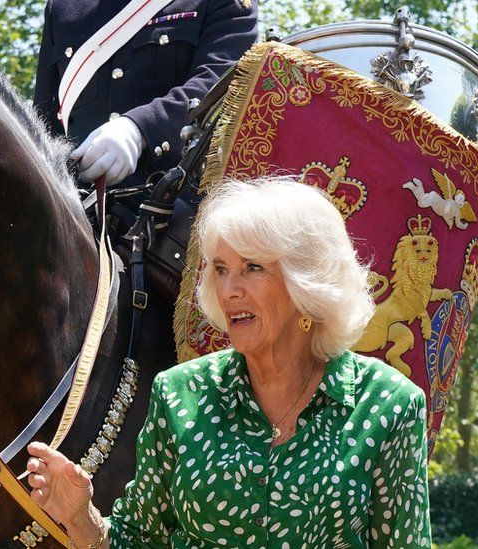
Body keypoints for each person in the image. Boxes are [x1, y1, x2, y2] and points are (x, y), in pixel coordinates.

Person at [26, 177, 432, 547]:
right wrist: (81, 518)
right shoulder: (179, 395)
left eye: (252, 267)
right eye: (221, 269)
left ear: (307, 282)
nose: (229, 290)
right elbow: (137, 540)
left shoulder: (389, 406)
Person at [33, 0, 258, 192]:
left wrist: (140, 128)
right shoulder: (63, 6)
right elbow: (43, 120)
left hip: (174, 198)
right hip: (75, 200)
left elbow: (220, 83)